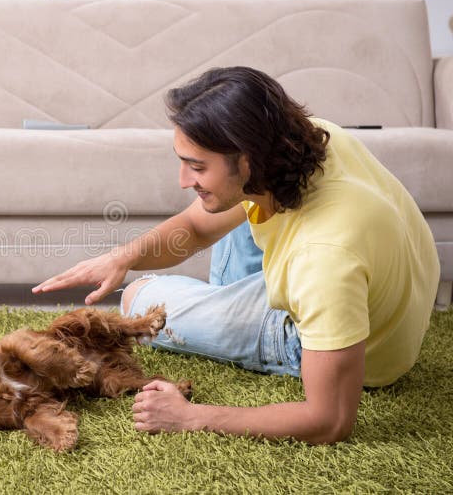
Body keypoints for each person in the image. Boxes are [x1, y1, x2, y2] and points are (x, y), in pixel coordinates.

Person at [31, 66, 440, 444]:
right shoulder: (309, 138)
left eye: (196, 167)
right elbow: (194, 228)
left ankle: (234, 316)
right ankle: (228, 305)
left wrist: (190, 416)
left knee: (138, 296)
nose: (183, 180)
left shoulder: (322, 258)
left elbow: (330, 419)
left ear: (246, 160)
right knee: (216, 210)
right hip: (384, 287)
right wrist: (122, 257)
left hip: (364, 343)